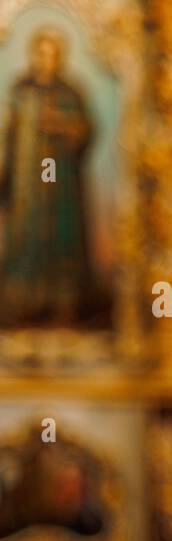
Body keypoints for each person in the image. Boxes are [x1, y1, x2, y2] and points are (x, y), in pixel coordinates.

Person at [0, 28, 94, 327]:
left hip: (59, 184)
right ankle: (23, 303)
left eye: (52, 55)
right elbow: (8, 137)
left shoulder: (70, 93)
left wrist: (64, 126)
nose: (46, 60)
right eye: (41, 54)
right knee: (26, 240)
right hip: (27, 185)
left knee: (61, 239)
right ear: (33, 56)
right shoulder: (21, 92)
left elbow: (85, 131)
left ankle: (62, 306)